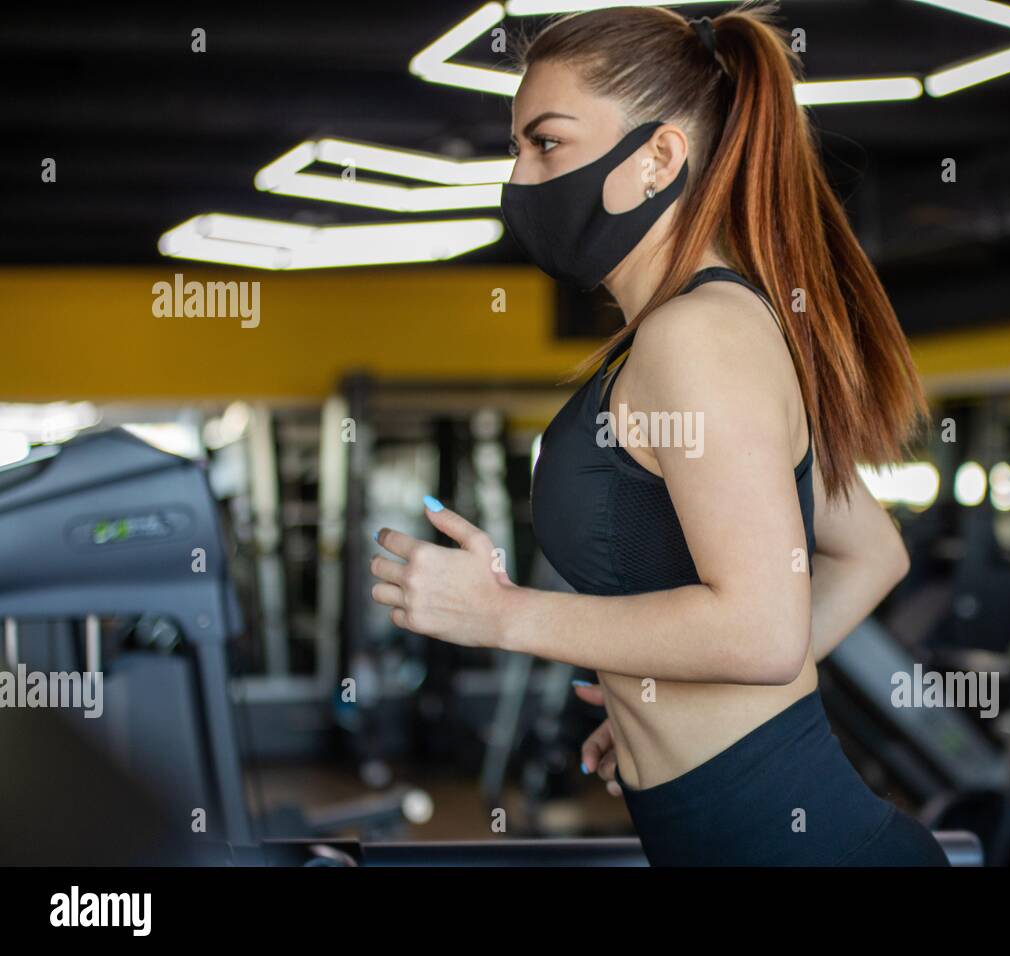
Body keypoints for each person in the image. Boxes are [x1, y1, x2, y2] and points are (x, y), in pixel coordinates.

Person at [370, 3, 948, 866]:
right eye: (516, 147)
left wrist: (501, 614)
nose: (519, 177)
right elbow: (872, 552)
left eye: (546, 142)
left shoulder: (698, 336)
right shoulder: (693, 330)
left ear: (658, 158)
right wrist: (664, 706)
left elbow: (761, 631)